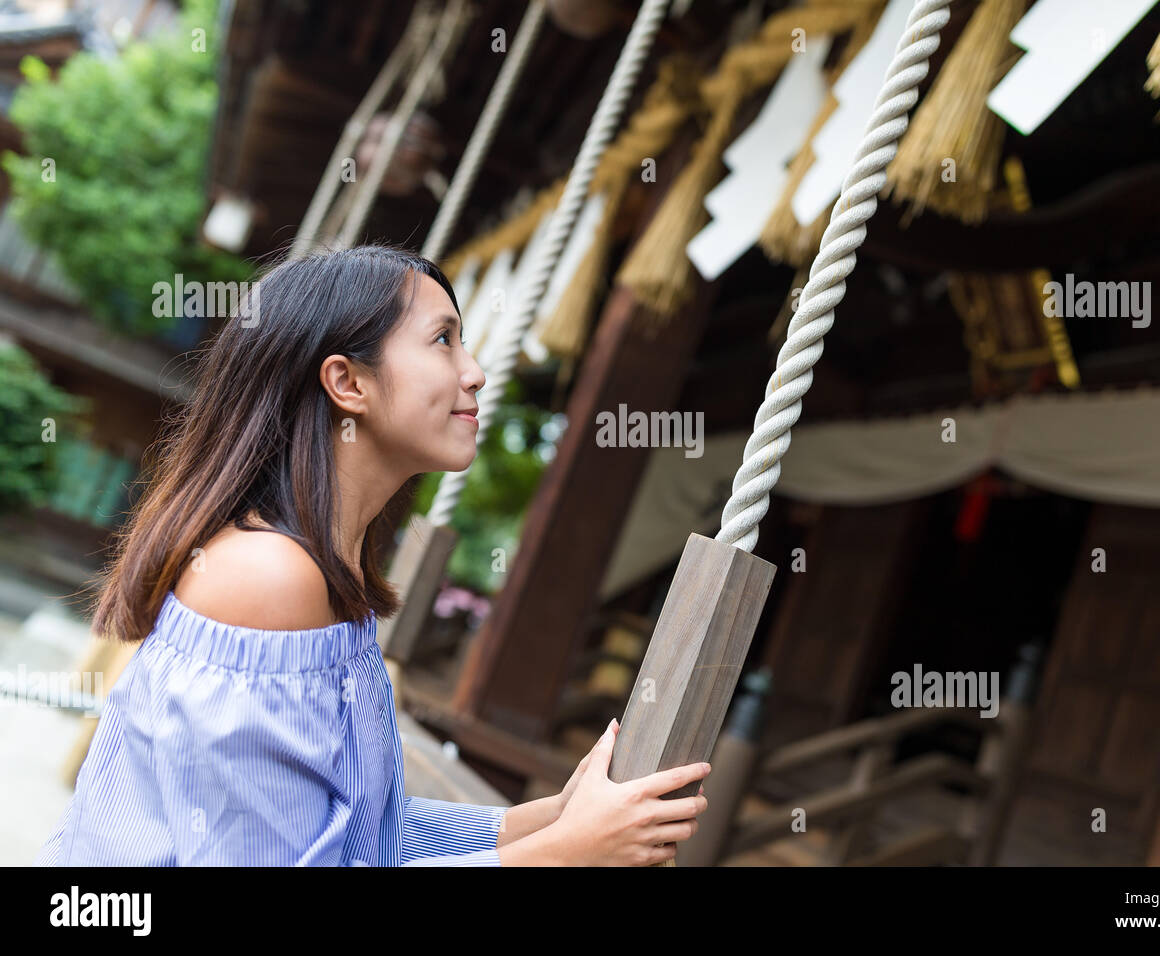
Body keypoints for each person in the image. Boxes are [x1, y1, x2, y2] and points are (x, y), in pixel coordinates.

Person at [35, 244, 708, 866]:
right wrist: (566, 854)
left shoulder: (323, 571)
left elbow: (352, 832)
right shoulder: (268, 578)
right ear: (347, 383)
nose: (475, 373)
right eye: (443, 340)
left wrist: (549, 821)